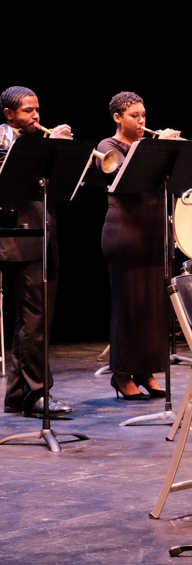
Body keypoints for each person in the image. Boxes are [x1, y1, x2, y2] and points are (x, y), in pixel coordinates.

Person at [96, 92, 180, 401]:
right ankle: (121, 373)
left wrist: (171, 153)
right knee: (129, 305)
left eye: (144, 114)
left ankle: (146, 371)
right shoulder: (109, 146)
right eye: (135, 115)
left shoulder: (146, 146)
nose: (142, 120)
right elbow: (125, 176)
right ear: (118, 117)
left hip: (154, 232)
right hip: (126, 233)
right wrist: (158, 148)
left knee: (153, 307)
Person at [0, 86, 72, 418]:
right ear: (9, 115)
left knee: (30, 319)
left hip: (44, 234)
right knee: (35, 319)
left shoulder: (31, 142)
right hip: (21, 240)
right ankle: (38, 393)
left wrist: (65, 157)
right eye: (28, 111)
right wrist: (50, 147)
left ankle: (17, 394)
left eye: (37, 109)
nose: (36, 116)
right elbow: (11, 180)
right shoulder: (4, 142)